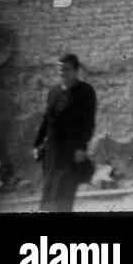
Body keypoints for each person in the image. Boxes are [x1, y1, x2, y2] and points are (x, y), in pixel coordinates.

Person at [33, 53, 97, 213]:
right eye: (60, 70)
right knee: (50, 194)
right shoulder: (53, 92)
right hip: (52, 152)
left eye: (67, 69)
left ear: (76, 71)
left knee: (64, 195)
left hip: (71, 151)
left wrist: (82, 147)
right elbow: (46, 120)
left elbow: (89, 122)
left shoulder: (85, 92)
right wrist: (37, 143)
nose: (63, 73)